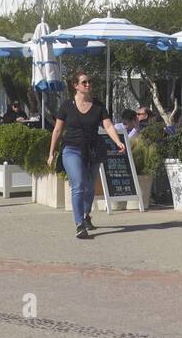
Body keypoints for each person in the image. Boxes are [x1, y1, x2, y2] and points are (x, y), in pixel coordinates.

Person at [49, 72, 125, 239]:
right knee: (78, 184)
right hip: (71, 149)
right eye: (84, 82)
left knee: (90, 188)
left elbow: (109, 126)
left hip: (93, 150)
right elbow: (57, 130)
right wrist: (51, 152)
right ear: (75, 86)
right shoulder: (67, 105)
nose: (88, 85)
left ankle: (86, 214)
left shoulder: (98, 105)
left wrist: (118, 141)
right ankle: (79, 224)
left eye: (90, 82)